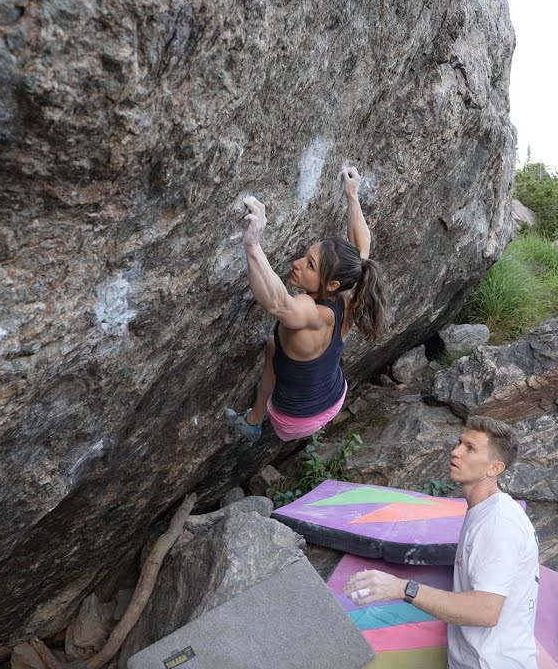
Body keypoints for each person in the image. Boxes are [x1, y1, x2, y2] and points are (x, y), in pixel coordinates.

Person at [345, 416, 539, 668]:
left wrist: (401, 588)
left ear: (494, 468)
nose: (455, 452)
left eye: (470, 448)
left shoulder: (498, 522)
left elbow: (485, 611)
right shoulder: (486, 510)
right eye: (459, 443)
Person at [221, 163, 389, 442]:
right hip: (334, 396)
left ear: (331, 284)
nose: (297, 263)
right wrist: (352, 193)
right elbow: (362, 249)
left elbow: (279, 306)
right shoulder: (350, 293)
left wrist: (253, 244)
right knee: (273, 346)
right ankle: (254, 420)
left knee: (276, 345)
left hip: (294, 419)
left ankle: (255, 419)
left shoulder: (313, 313)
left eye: (310, 265)